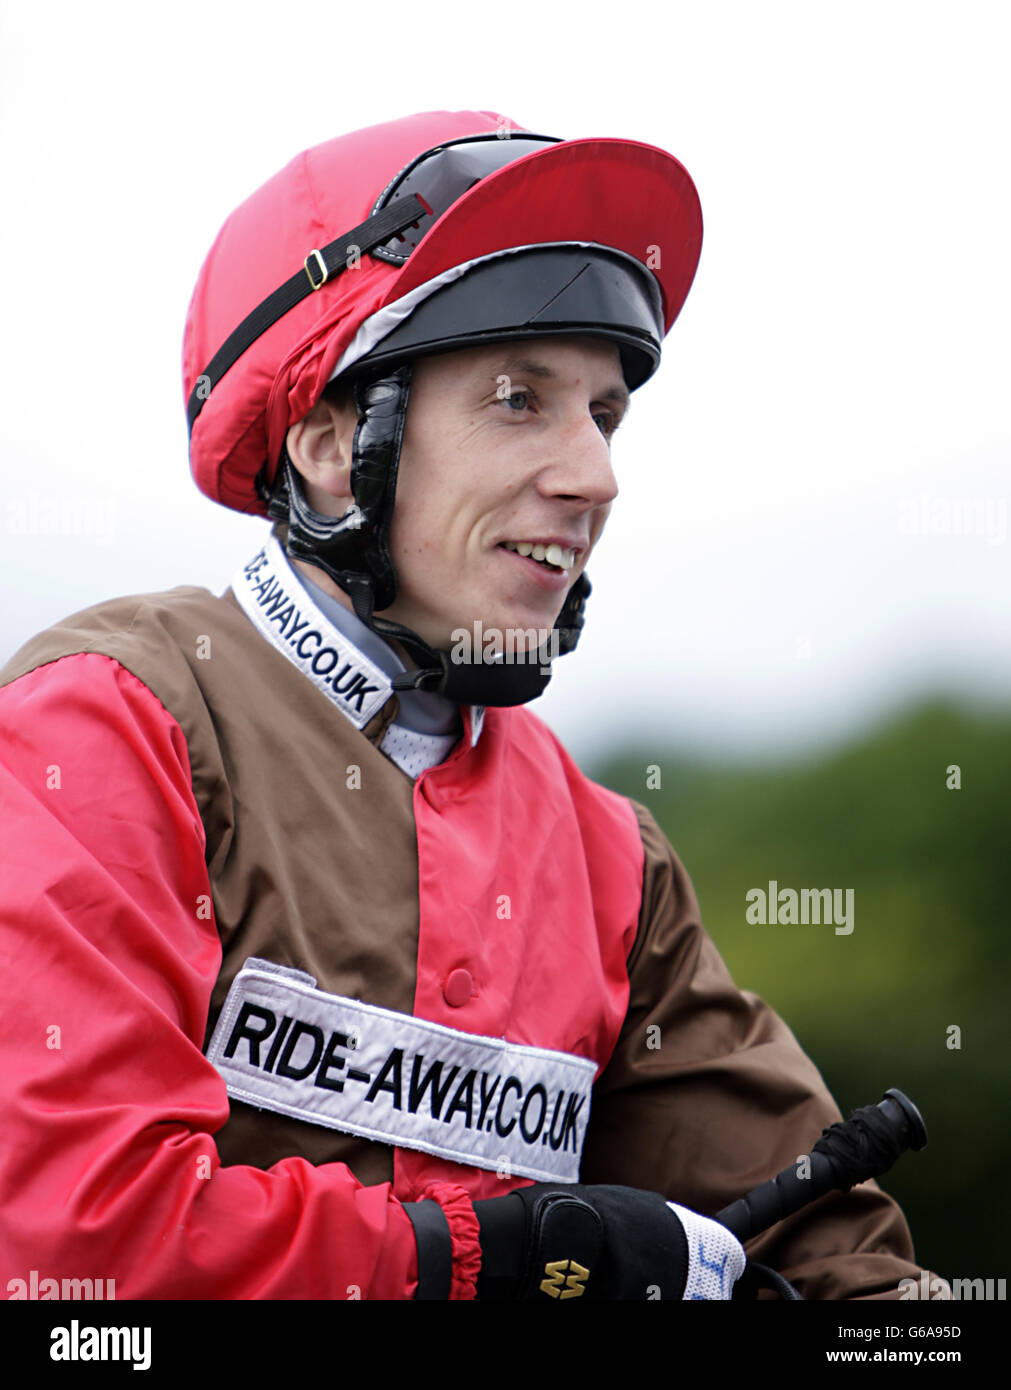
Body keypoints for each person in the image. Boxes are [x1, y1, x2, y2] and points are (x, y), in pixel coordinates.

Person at [0, 109, 945, 1301]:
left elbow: (844, 1262)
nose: (595, 476)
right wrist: (500, 1262)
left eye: (605, 414)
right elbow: (72, 1258)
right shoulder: (104, 725)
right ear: (334, 445)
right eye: (519, 399)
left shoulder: (612, 855)